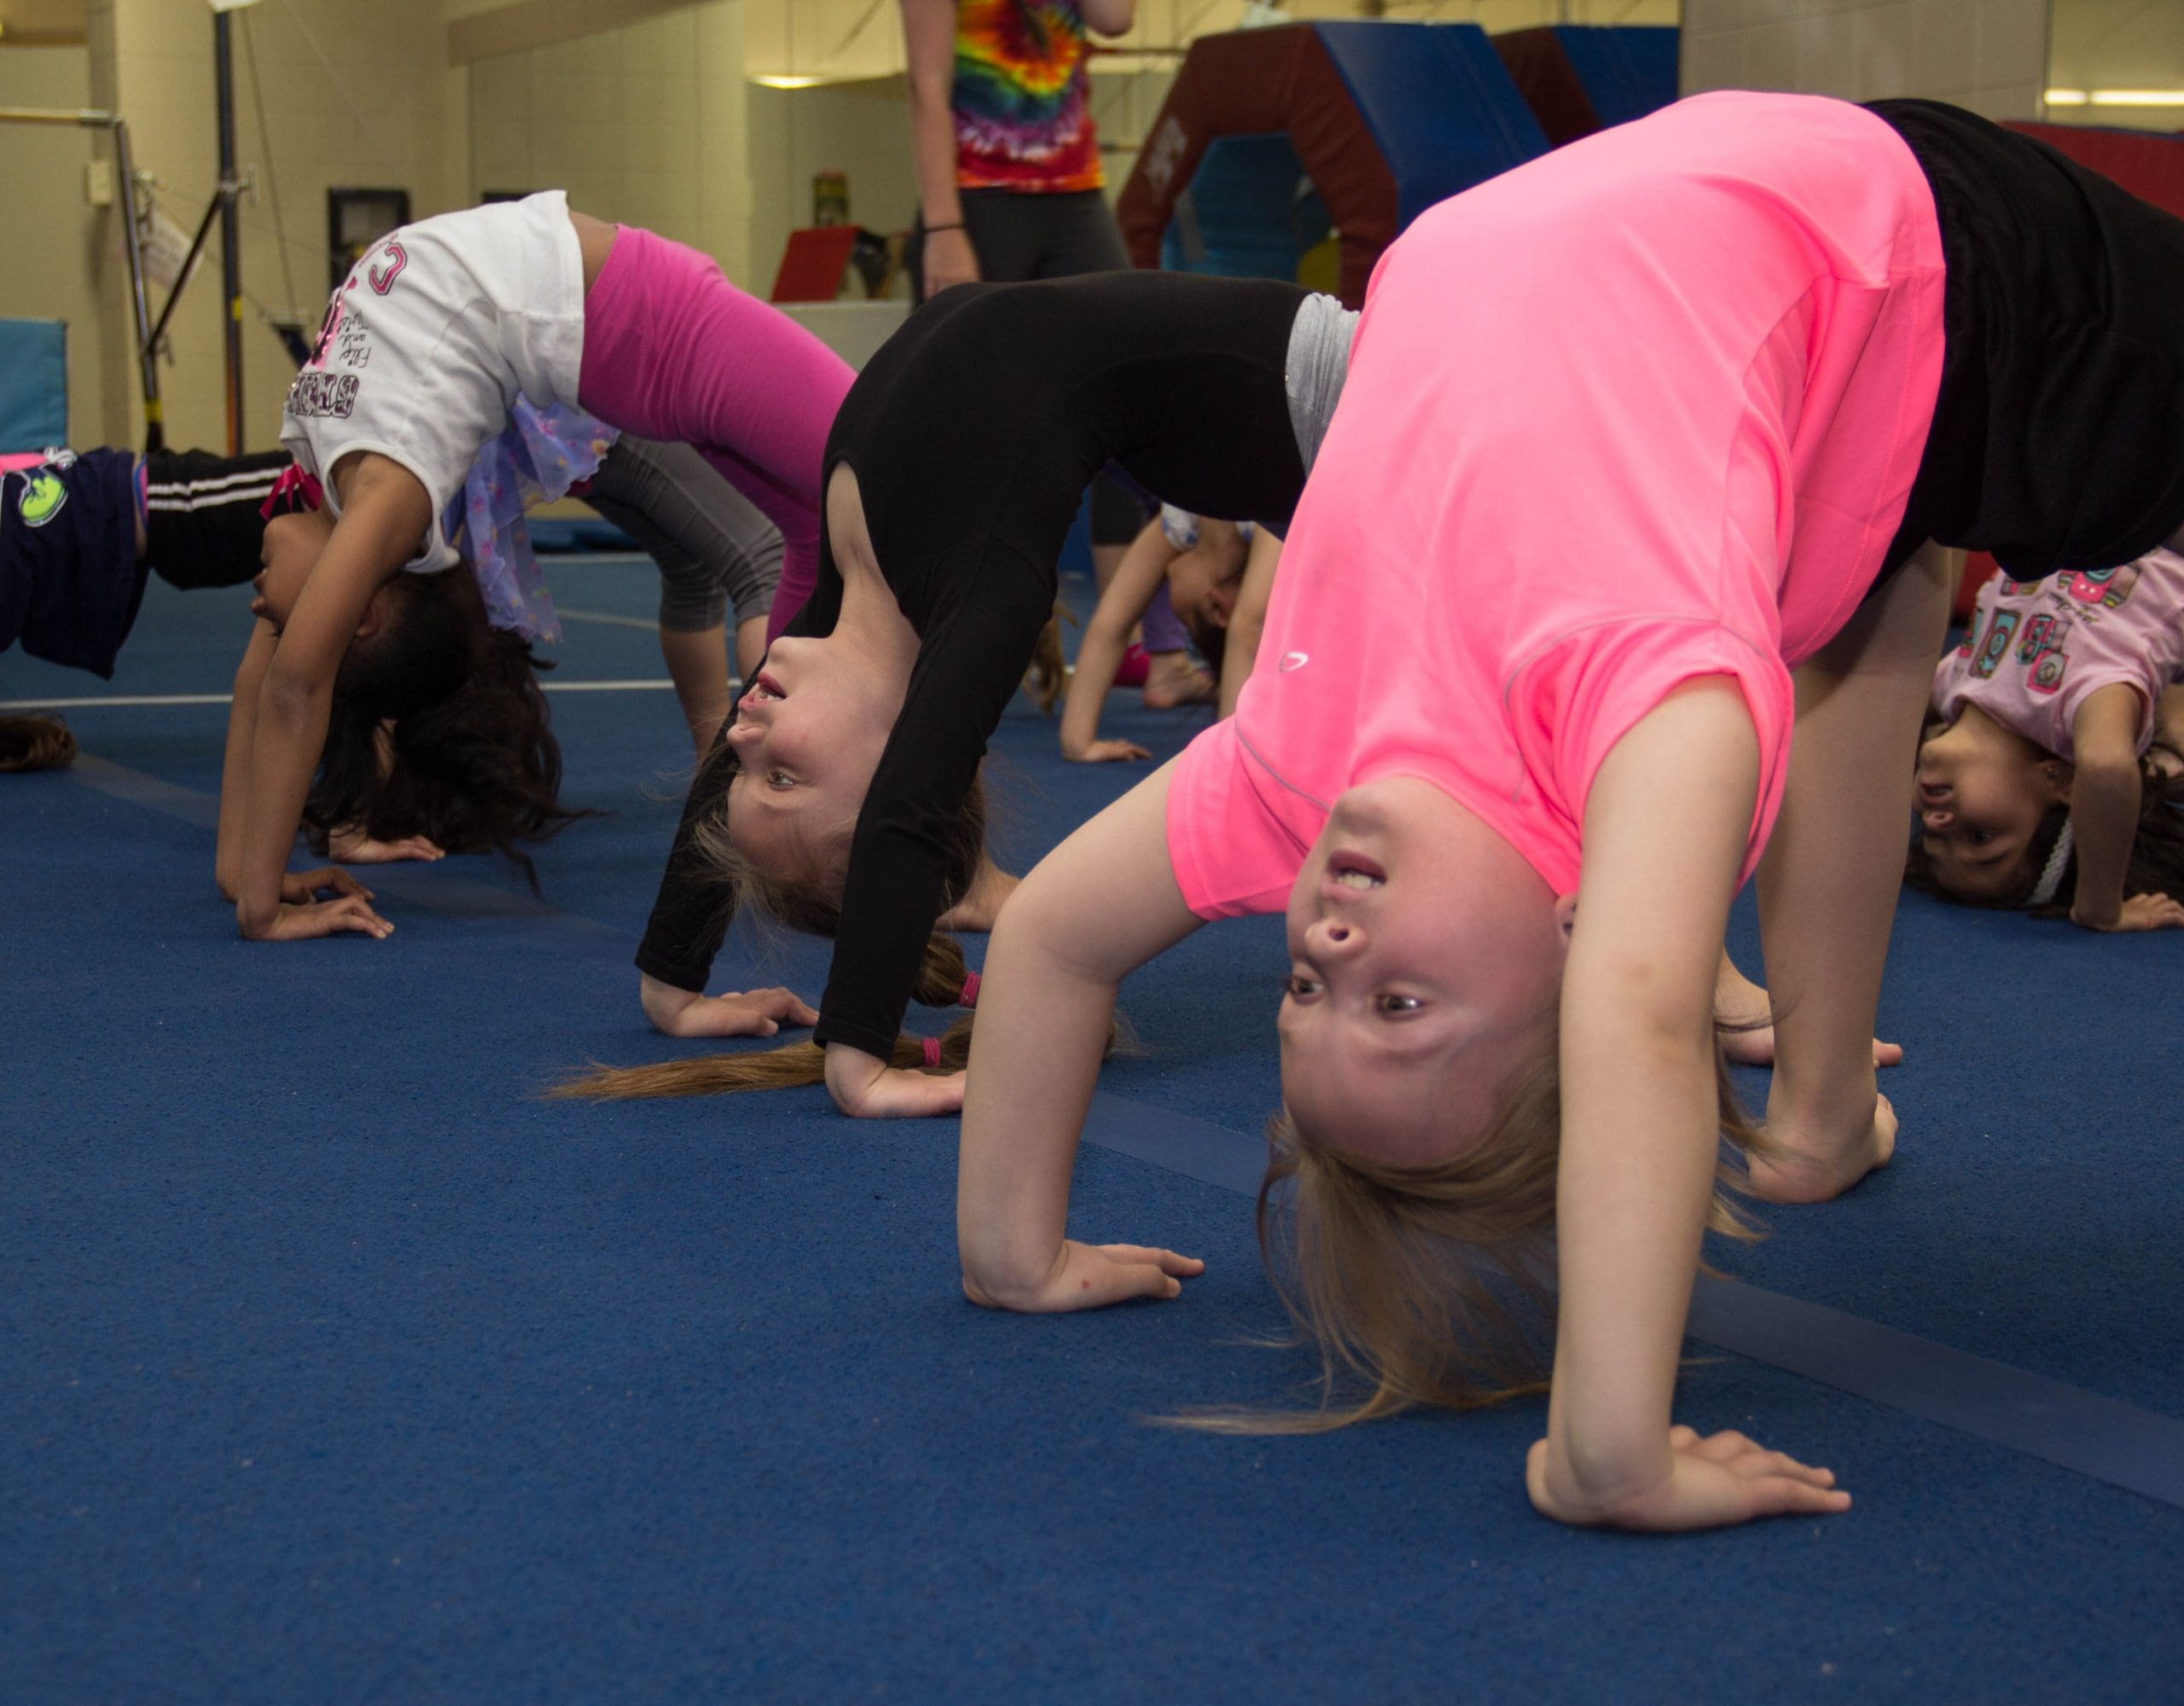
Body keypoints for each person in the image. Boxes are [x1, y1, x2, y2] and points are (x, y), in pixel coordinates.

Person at [951, 93, 2184, 1534]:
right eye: (1396, 1002)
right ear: (1567, 936)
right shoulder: (1644, 694)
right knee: (1857, 616)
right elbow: (1651, 1006)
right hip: (1914, 273)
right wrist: (1611, 1453)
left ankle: (1827, 1105)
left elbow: (1047, 941)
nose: (1333, 940)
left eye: (1302, 984)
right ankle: (1825, 1110)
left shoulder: (1294, 772)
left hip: (1799, 233)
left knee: (1857, 606)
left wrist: (1011, 1252)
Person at [586, 270, 1359, 1097]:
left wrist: (670, 978)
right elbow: (910, 804)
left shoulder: (858, 585)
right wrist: (857, 1060)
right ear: (895, 761)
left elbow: (834, 794)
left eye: (744, 766)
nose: (740, 734)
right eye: (781, 773)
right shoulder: (979, 570)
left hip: (1339, 417)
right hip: (1367, 418)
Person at [224, 194, 853, 942]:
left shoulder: (320, 473)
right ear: (359, 608)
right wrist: (260, 912)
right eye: (286, 617)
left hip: (617, 328)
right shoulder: (384, 499)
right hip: (641, 318)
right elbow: (296, 682)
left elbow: (263, 682)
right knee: (875, 484)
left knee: (823, 524)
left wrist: (244, 877)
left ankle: (784, 821)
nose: (259, 608)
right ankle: (835, 831)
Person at [900, 0, 1148, 594]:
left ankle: (1135, 637)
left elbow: (1115, 18)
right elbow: (925, 84)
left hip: (1075, 196)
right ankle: (938, 607)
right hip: (981, 200)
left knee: (1131, 386)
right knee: (965, 417)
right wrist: (943, 228)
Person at [1909, 548, 2184, 928]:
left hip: (2086, 503)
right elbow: (2106, 768)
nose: (1937, 821)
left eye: (1930, 837)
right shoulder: (2075, 709)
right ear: (2060, 779)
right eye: (1980, 836)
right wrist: (2099, 907)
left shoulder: (1953, 687)